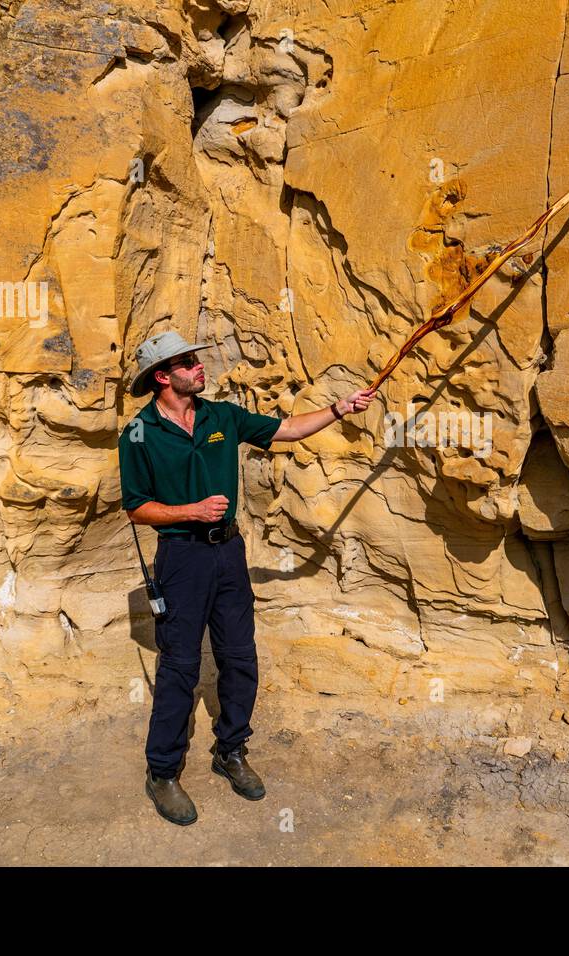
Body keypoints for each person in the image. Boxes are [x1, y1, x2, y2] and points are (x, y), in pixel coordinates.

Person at [118, 330, 378, 825]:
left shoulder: (222, 416)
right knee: (179, 666)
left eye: (196, 359)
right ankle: (162, 772)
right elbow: (136, 508)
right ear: (161, 376)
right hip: (181, 559)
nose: (199, 366)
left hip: (228, 555)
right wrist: (190, 511)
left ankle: (230, 750)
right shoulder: (138, 434)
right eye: (187, 362)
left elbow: (290, 429)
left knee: (240, 655)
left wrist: (339, 408)